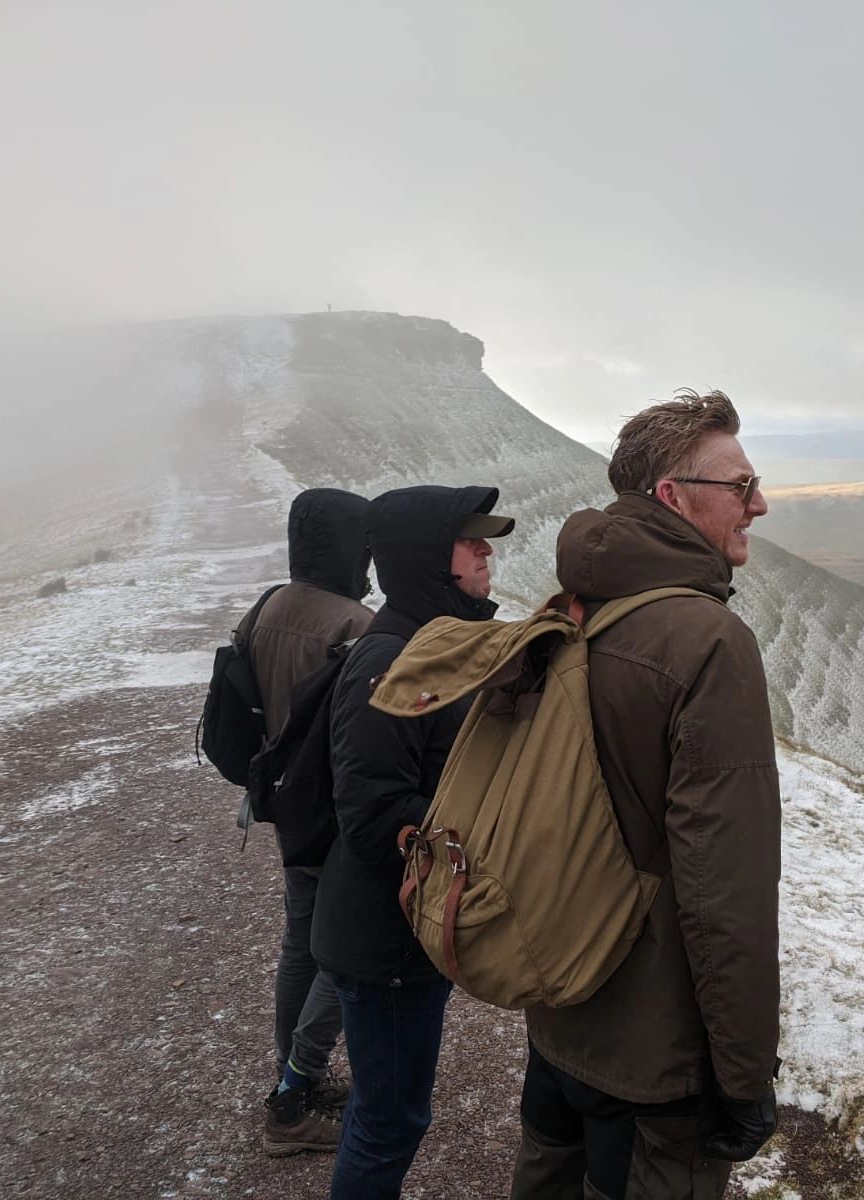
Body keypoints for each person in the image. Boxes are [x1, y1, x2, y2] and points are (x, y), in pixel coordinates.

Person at [509, 390, 781, 1200]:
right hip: (657, 1058)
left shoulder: (574, 609)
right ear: (672, 496)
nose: (759, 503)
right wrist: (740, 1075)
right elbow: (722, 889)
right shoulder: (708, 641)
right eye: (740, 485)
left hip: (560, 1009)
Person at [312, 484, 515, 1198]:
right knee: (389, 1120)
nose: (487, 551)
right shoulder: (392, 660)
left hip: (394, 928)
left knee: (390, 1113)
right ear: (432, 559)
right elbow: (373, 813)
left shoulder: (433, 645)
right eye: (471, 540)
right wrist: (483, 839)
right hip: (385, 939)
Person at [248, 487, 374, 1156]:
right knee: (344, 954)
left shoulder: (269, 607)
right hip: (340, 816)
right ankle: (292, 1098)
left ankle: (293, 1072)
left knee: (301, 940)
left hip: (287, 809)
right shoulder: (354, 625)